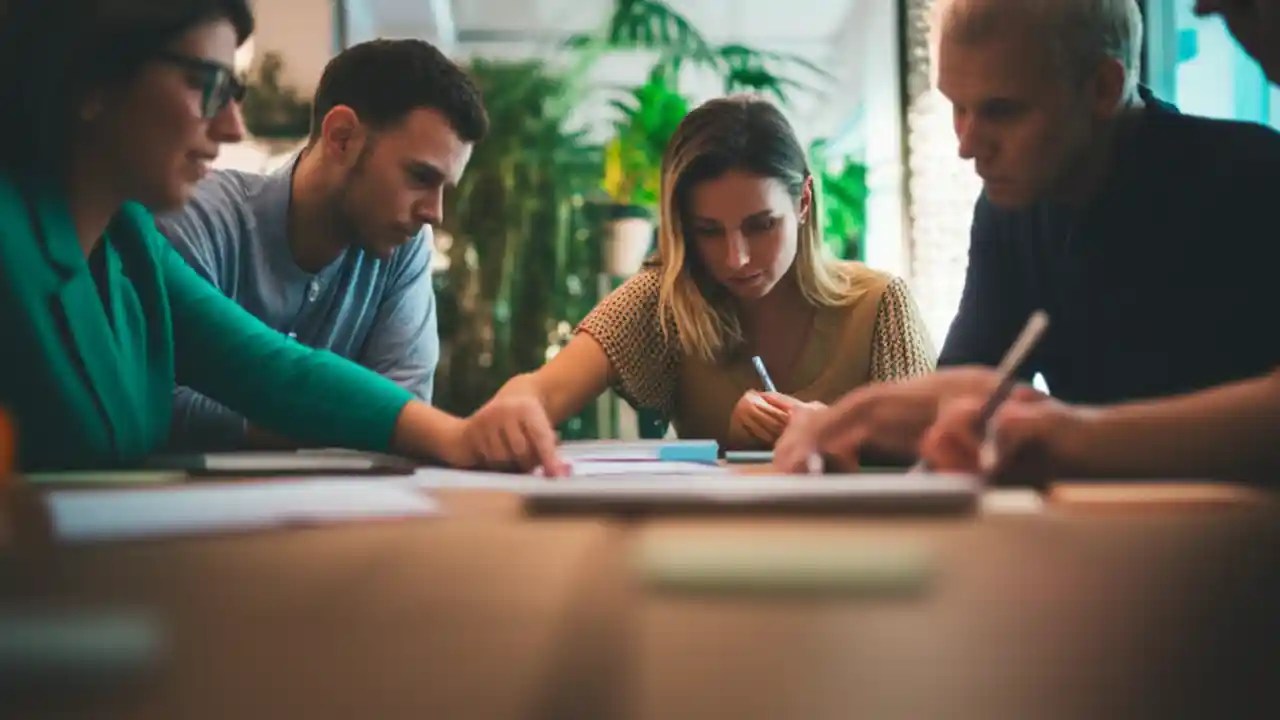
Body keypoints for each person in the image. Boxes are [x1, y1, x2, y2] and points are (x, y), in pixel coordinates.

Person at [0, 0, 565, 474]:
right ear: (93, 78)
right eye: (206, 86)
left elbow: (276, 370)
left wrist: (456, 437)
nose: (232, 127)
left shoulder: (130, 243)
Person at [775, 0, 1280, 472]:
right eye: (958, 107)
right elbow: (971, 383)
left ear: (1104, 89)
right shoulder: (1011, 208)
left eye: (1002, 111)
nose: (968, 146)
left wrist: (1064, 433)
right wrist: (858, 422)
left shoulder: (1254, 180)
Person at [475, 95, 934, 451]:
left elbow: (935, 448)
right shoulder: (665, 300)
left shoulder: (880, 305)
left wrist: (837, 431)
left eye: (760, 226)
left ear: (803, 202)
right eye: (708, 231)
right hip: (704, 552)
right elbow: (544, 390)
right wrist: (520, 404)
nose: (736, 258)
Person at [156, 38, 480, 450]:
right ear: (342, 137)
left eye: (444, 189)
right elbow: (157, 399)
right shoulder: (196, 219)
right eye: (420, 177)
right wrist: (355, 420)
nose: (434, 212)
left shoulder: (404, 246)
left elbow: (406, 404)